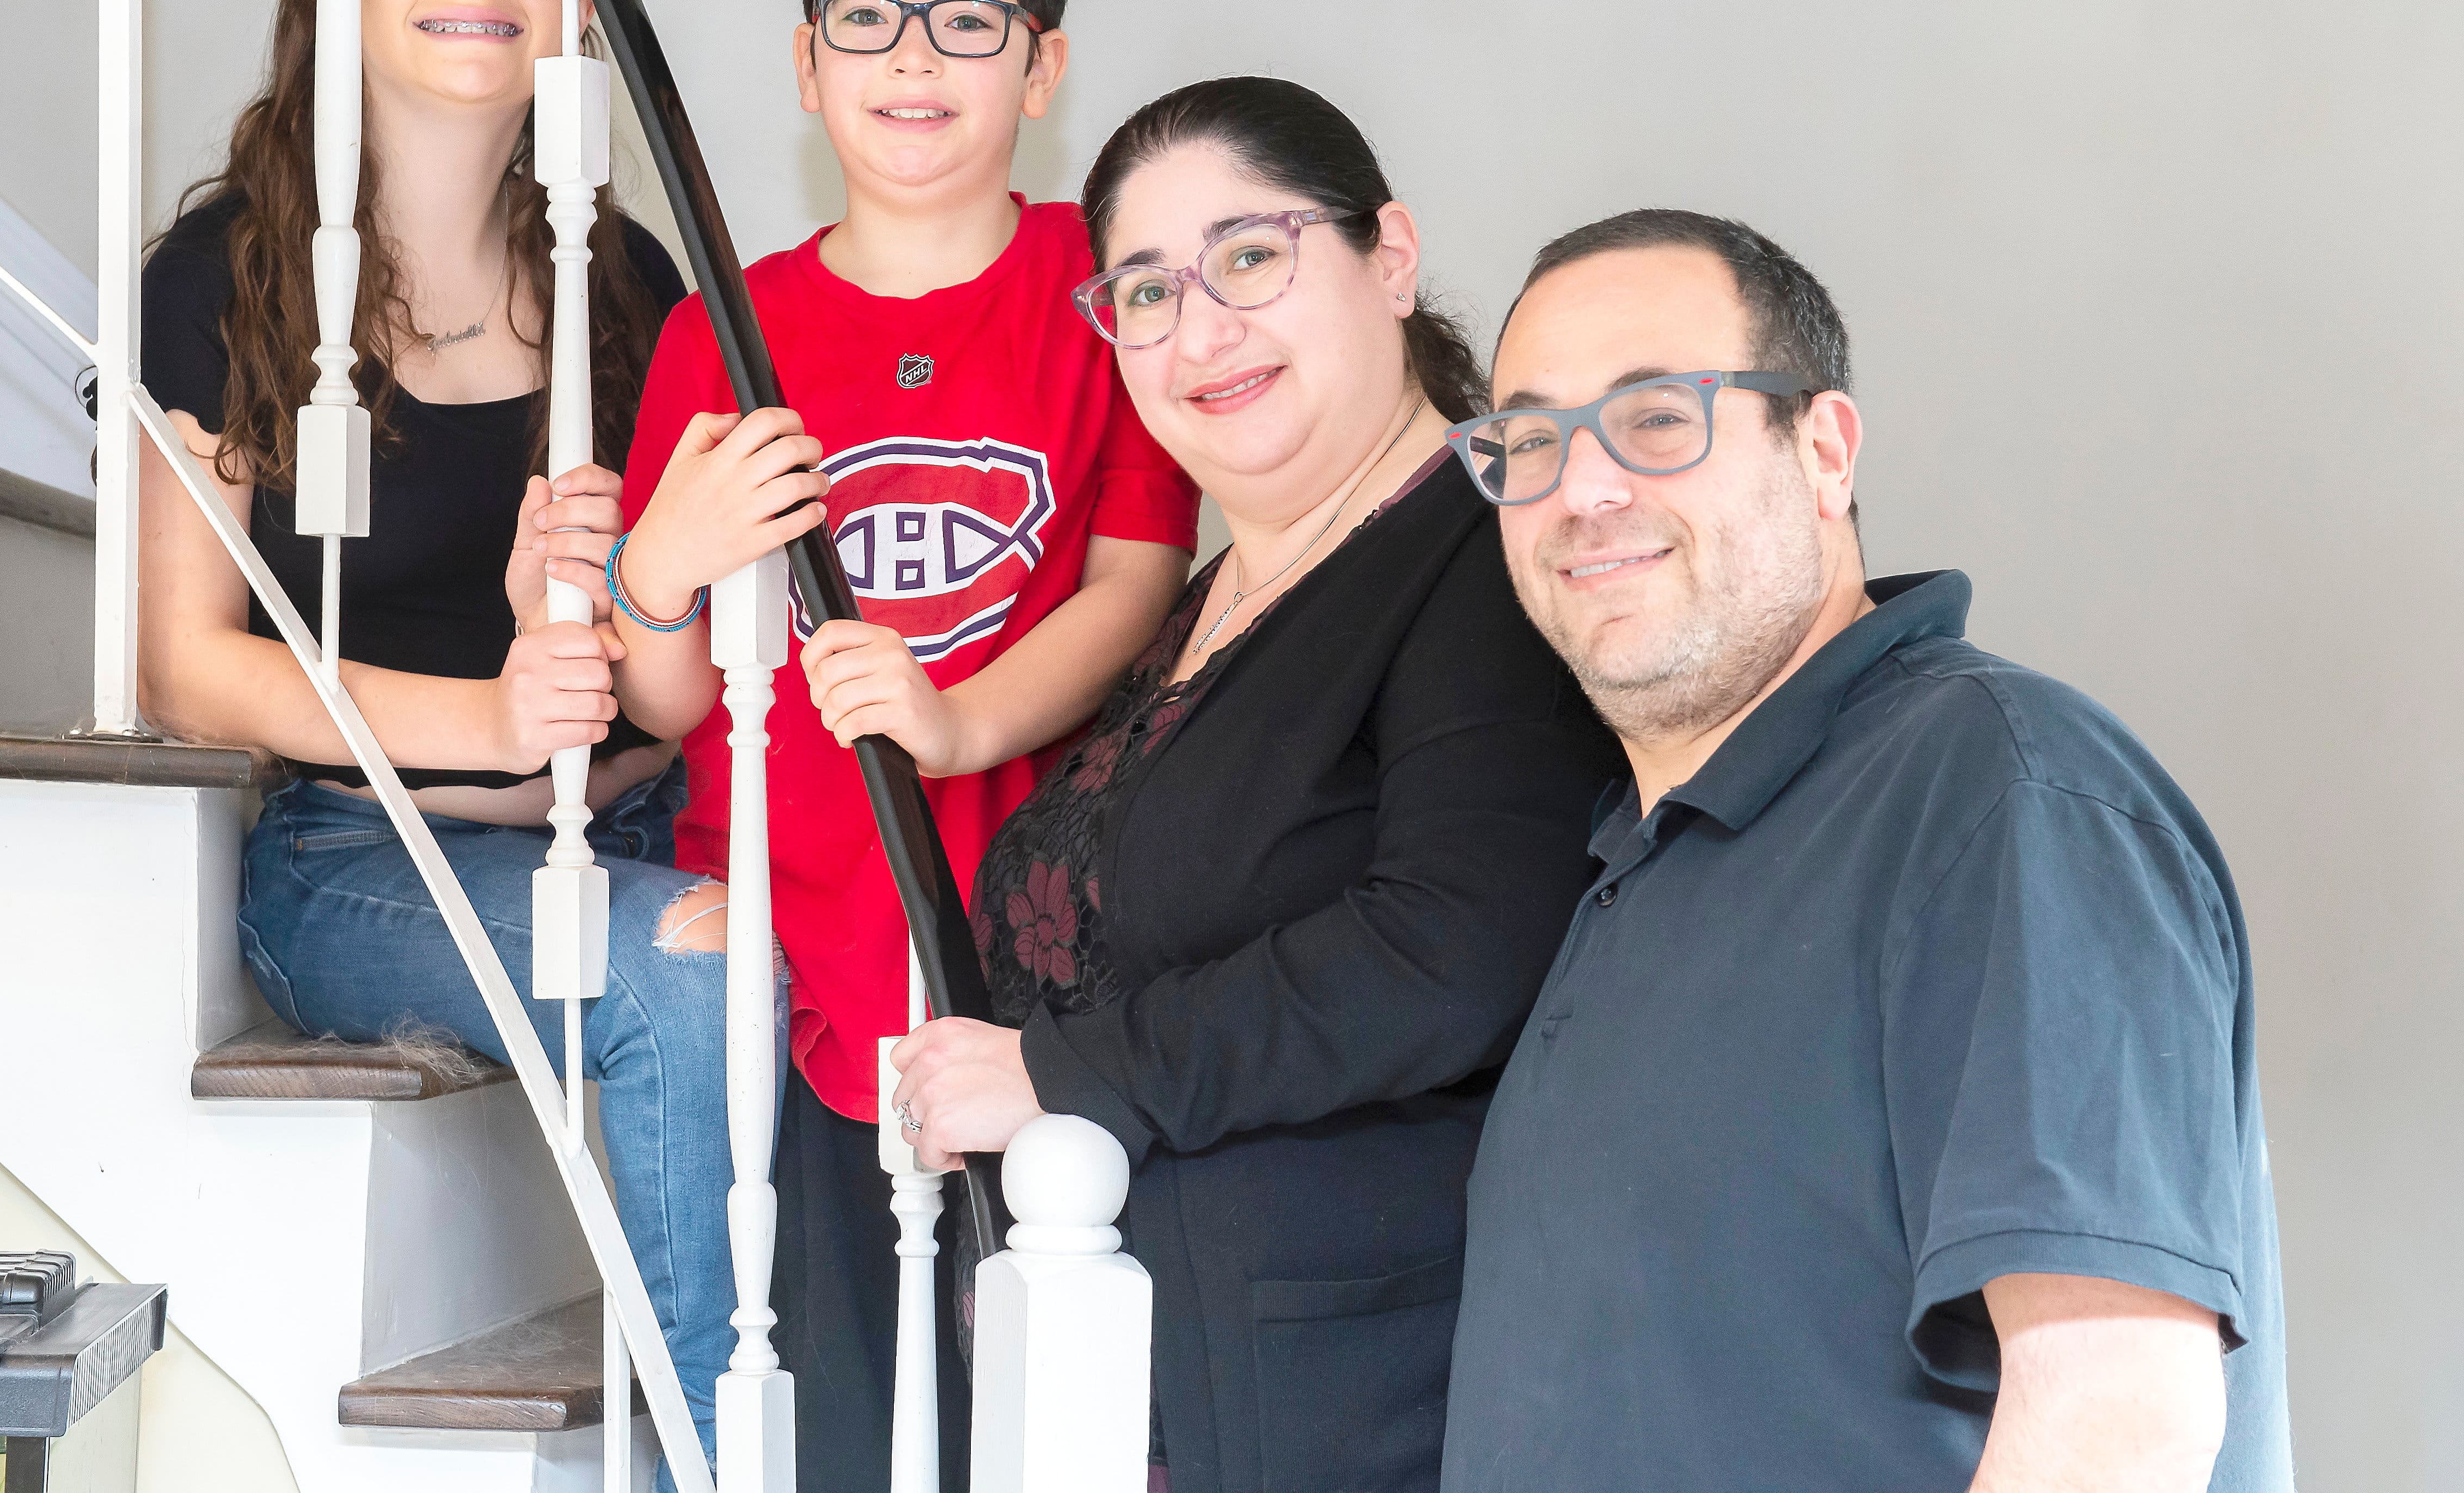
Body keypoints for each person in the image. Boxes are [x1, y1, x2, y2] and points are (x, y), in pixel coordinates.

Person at [1437, 209, 2290, 1491]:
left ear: (1824, 449)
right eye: (1530, 438)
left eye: (1658, 416)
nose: (1584, 487)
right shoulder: (1635, 859)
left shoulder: (2001, 790)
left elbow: (2117, 1418)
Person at [883, 76, 1624, 1493]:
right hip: (1127, 1372)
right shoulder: (1218, 598)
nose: (1200, 328)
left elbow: (1457, 946)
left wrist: (1059, 1070)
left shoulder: (1486, 554)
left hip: (1346, 1402)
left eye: (1249, 256)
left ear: (1389, 257)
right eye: (1145, 292)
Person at [135, 0, 738, 1465]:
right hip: (366, 856)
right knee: (698, 991)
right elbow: (187, 667)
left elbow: (677, 683)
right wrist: (485, 713)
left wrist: (602, 610)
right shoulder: (223, 280)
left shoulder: (629, 290)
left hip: (640, 814)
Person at [606, 0, 1200, 1489]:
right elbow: (663, 701)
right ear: (806, 63)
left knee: (1042, 1398)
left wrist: (955, 722)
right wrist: (658, 567)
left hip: (1032, 952)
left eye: (967, 19)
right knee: (839, 1403)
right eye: (867, 18)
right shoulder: (721, 329)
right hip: (794, 948)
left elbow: (1132, 592)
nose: (914, 60)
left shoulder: (1103, 293)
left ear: (1044, 62)